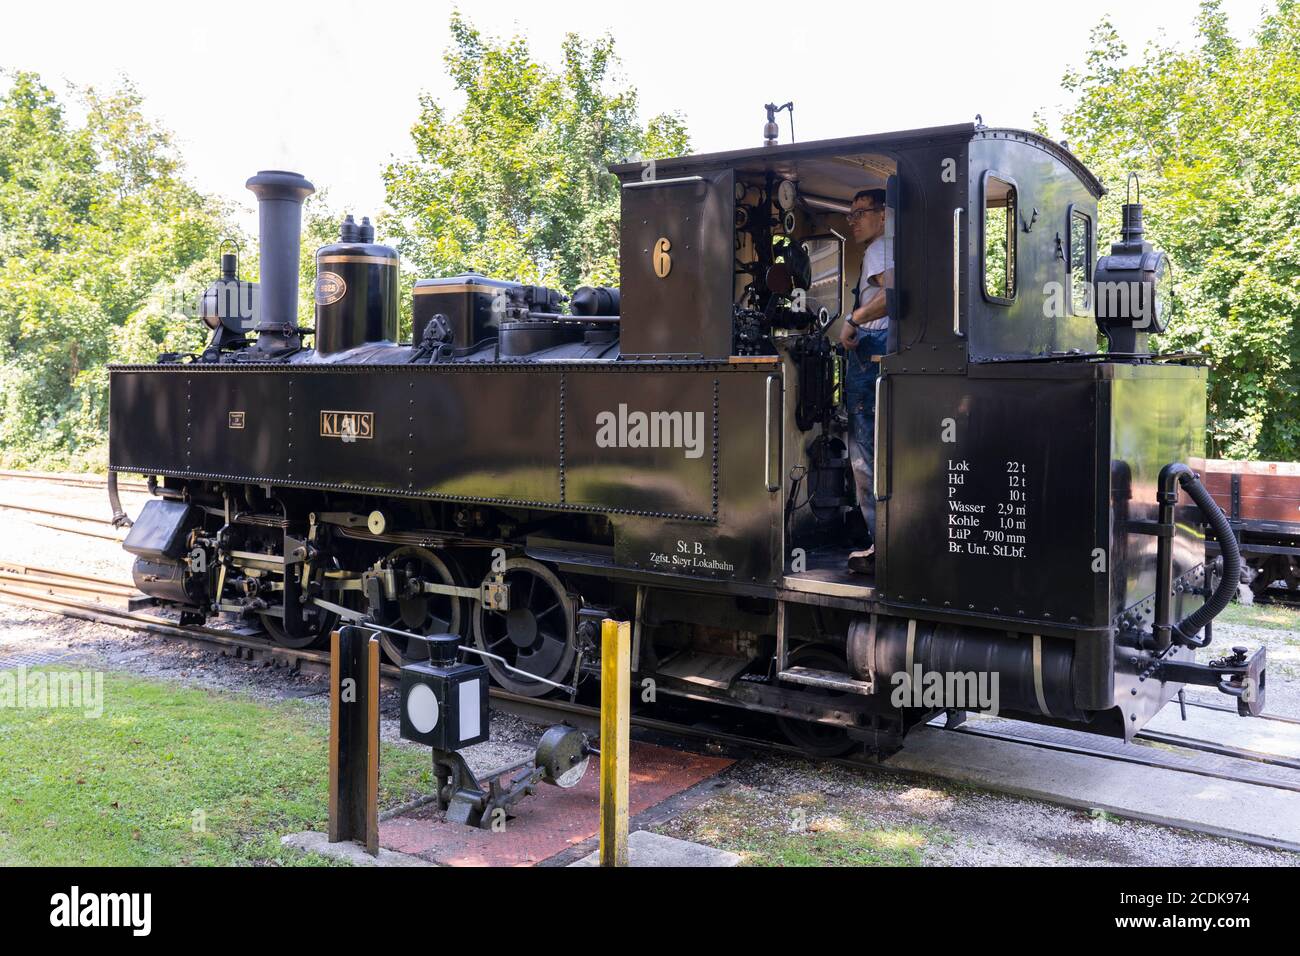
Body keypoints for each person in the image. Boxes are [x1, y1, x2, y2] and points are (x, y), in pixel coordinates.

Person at [838, 188, 893, 574]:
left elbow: (892, 296)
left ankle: (881, 547)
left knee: (865, 457)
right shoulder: (888, 247)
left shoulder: (879, 249)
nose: (854, 220)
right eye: (851, 214)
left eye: (862, 213)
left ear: (884, 215)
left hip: (869, 353)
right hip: (878, 353)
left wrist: (853, 320)